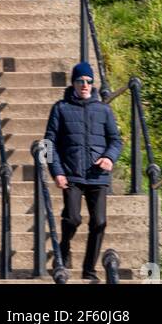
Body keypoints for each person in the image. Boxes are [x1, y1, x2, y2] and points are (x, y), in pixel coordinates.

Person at [43, 62, 122, 282]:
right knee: (73, 218)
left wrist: (109, 157)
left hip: (98, 175)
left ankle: (90, 269)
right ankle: (64, 248)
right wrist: (56, 172)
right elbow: (47, 143)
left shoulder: (104, 110)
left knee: (99, 222)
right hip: (71, 174)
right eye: (80, 81)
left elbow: (116, 140)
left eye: (89, 81)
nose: (85, 85)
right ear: (73, 83)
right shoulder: (60, 108)